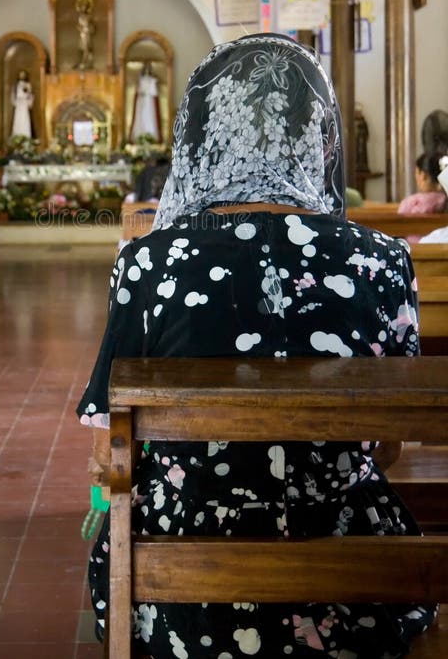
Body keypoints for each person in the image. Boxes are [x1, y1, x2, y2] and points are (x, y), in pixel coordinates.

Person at [77, 33, 436, 658]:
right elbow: (391, 441)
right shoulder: (382, 261)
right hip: (356, 585)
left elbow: (115, 444)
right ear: (320, 138)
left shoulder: (149, 263)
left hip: (182, 590)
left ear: (200, 138)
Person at [130, 61, 162, 142]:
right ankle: (138, 137)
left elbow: (154, 92)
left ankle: (151, 137)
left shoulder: (152, 80)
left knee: (150, 118)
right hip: (141, 101)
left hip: (149, 101)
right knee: (140, 118)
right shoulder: (140, 80)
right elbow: (138, 91)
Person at [10, 69, 34, 138]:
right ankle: (17, 137)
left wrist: (28, 100)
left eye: (23, 75)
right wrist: (16, 101)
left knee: (25, 120)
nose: (22, 76)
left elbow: (30, 95)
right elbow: (13, 96)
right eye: (21, 74)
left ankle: (26, 137)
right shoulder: (15, 85)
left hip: (25, 105)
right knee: (18, 120)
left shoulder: (28, 85)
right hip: (18, 105)